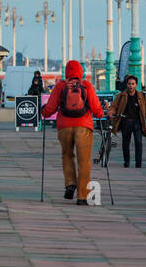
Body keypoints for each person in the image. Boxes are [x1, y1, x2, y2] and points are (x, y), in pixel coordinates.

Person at [40, 60, 104, 205]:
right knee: (84, 161)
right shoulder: (86, 85)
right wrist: (100, 114)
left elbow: (50, 108)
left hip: (64, 126)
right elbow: (95, 107)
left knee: (67, 155)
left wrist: (44, 112)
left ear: (66, 72)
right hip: (84, 126)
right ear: (81, 71)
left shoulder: (61, 86)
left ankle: (70, 183)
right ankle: (82, 196)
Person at [108, 74, 146, 168]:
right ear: (127, 84)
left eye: (133, 84)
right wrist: (111, 112)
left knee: (138, 142)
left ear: (136, 85)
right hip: (125, 122)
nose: (131, 86)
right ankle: (126, 162)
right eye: (129, 84)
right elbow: (114, 106)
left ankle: (138, 163)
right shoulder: (121, 95)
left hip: (137, 122)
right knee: (125, 143)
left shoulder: (142, 96)